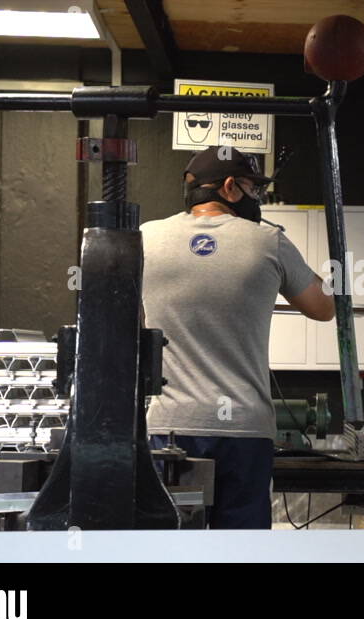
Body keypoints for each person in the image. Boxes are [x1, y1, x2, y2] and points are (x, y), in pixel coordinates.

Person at [140, 146, 334, 529]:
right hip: (243, 431)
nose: (257, 198)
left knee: (167, 549)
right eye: (252, 188)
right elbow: (324, 307)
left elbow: (132, 322)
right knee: (241, 552)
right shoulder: (268, 241)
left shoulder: (146, 237)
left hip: (170, 428)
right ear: (230, 188)